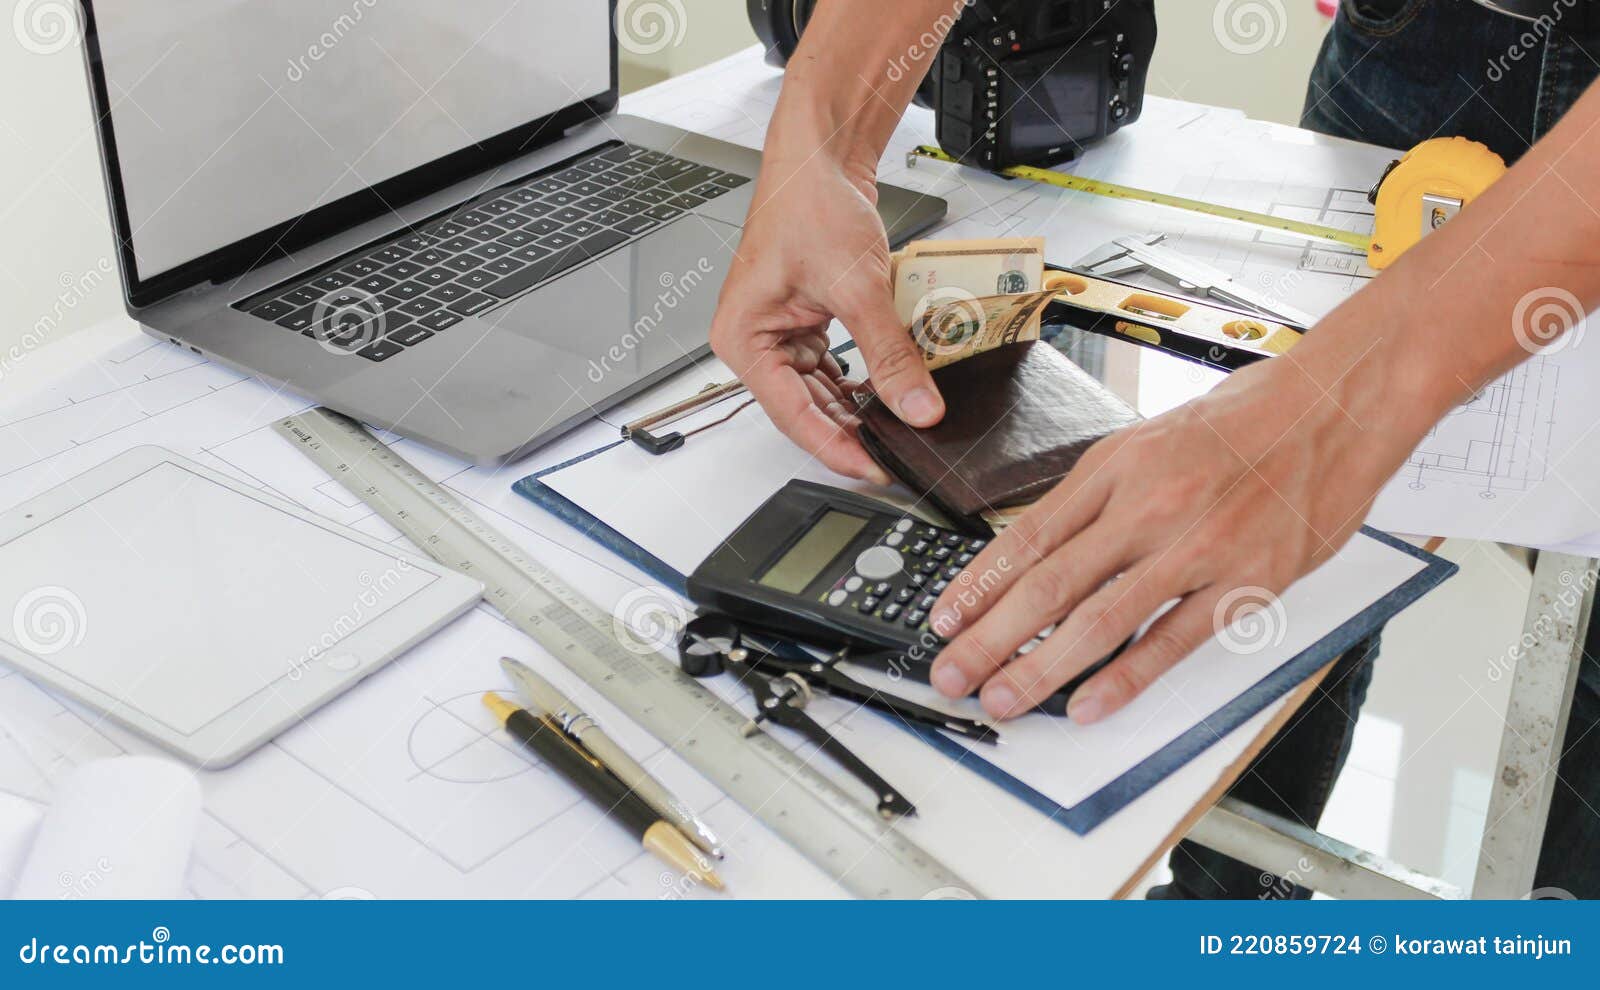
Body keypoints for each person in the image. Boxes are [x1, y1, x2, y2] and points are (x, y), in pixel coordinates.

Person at [709, 0, 1600, 897]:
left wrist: (1340, 408)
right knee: (1256, 567)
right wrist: (818, 152)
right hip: (1421, 49)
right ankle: (1225, 917)